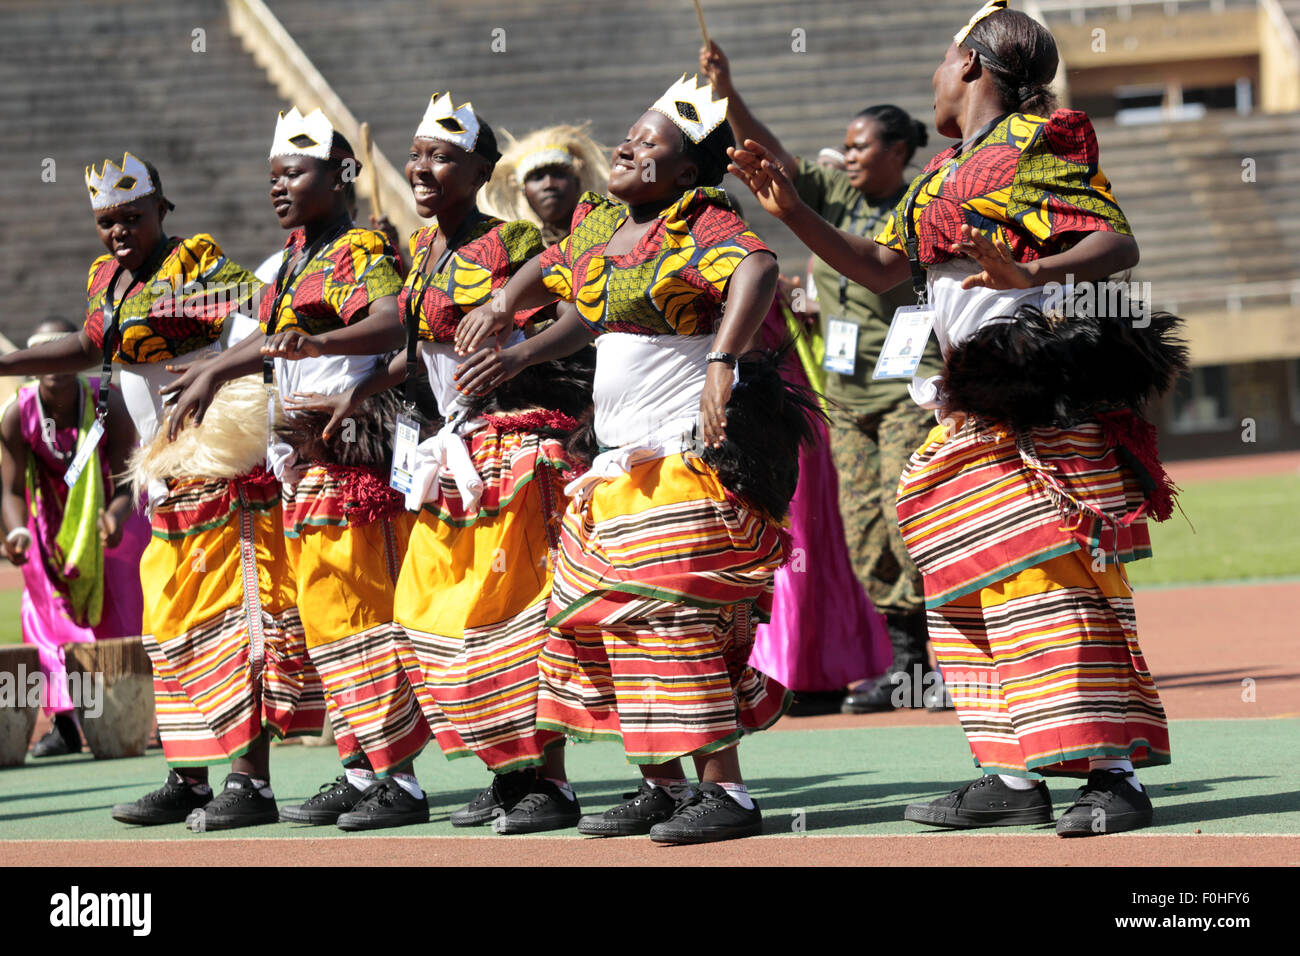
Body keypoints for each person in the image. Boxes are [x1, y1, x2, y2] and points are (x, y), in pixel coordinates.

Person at [728, 0, 1182, 836]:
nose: (933, 83)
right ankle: (1010, 774)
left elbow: (1116, 245)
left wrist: (1029, 269)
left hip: (1039, 398)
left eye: (940, 67)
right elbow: (878, 267)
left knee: (1053, 586)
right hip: (965, 406)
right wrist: (792, 211)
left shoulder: (1039, 142)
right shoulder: (941, 175)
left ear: (969, 64)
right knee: (963, 588)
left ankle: (1112, 774)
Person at [455, 74, 817, 844]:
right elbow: (573, 300)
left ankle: (728, 796)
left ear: (685, 172)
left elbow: (754, 269)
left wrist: (724, 358)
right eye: (631, 134)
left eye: (650, 142)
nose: (627, 146)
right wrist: (507, 326)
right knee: (595, 623)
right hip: (616, 468)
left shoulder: (702, 220)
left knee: (668, 620)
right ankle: (659, 784)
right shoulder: (600, 228)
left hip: (680, 459)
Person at [307, 91, 594, 834]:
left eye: (441, 156)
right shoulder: (426, 249)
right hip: (446, 455)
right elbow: (413, 352)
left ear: (482, 170)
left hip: (513, 448)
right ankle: (508, 771)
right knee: (432, 613)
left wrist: (515, 357)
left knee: (513, 614)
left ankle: (548, 782)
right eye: (417, 155)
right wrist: (362, 390)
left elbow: (579, 314)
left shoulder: (516, 246)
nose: (422, 167)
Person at [167, 108, 430, 831]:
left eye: (294, 172)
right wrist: (212, 370)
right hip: (304, 463)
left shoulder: (358, 249)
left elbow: (389, 324)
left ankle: (399, 780)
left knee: (357, 616)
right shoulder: (293, 259)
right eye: (273, 175)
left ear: (340, 176)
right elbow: (269, 345)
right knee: (326, 622)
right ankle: (359, 769)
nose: (278, 186)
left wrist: (314, 347)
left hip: (352, 457)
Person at [0, 153, 266, 821]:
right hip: (160, 479)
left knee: (228, 622)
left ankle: (250, 782)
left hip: (215, 466)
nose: (118, 232)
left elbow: (261, 327)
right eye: (105, 221)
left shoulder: (196, 263)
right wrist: (11, 361)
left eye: (131, 217)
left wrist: (210, 377)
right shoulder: (107, 279)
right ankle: (189, 775)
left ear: (162, 211)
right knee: (169, 624)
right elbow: (91, 350)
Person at [700, 40, 948, 713]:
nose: (851, 155)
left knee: (909, 520)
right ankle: (903, 663)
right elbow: (776, 159)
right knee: (864, 526)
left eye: (863, 146)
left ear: (899, 152)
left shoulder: (918, 203)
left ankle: (942, 658)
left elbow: (876, 261)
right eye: (848, 145)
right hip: (846, 394)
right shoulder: (833, 192)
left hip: (907, 388)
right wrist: (728, 92)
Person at [1, 320, 148, 758]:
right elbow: (8, 490)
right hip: (47, 524)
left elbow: (128, 481)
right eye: (42, 351)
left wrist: (115, 519)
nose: (53, 361)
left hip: (110, 520)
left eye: (61, 349)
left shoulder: (109, 405)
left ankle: (131, 715)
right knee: (44, 614)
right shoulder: (17, 412)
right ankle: (64, 724)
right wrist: (16, 532)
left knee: (118, 612)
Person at [482, 123, 610, 248]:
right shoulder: (516, 253)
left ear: (576, 181)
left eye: (559, 174)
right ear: (523, 191)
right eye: (537, 178)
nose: (549, 184)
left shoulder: (609, 237)